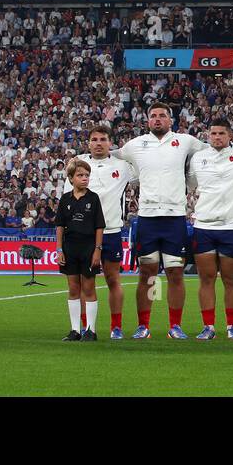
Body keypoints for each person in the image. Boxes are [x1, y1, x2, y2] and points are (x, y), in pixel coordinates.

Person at [113, 102, 207, 340]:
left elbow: (212, 150)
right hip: (148, 218)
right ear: (147, 121)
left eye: (162, 116)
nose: (157, 119)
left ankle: (175, 325)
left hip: (174, 218)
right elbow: (112, 157)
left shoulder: (185, 141)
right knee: (148, 273)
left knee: (175, 273)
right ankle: (144, 325)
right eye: (153, 116)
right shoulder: (135, 145)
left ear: (170, 120)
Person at [62, 123, 136, 339]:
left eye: (103, 139)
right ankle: (85, 328)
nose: (98, 143)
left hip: (111, 231)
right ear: (89, 142)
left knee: (113, 279)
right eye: (94, 139)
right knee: (85, 281)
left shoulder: (123, 166)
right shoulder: (78, 165)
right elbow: (67, 199)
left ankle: (116, 327)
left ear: (110, 143)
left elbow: (143, 175)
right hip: (83, 235)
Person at [186, 118, 233, 340]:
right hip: (204, 224)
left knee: (230, 279)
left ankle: (232, 326)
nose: (216, 137)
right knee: (206, 278)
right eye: (213, 133)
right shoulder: (199, 157)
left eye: (221, 134)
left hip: (231, 225)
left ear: (230, 135)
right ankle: (209, 326)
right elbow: (192, 183)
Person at [56, 159, 105, 342]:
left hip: (88, 247)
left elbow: (99, 227)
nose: (84, 178)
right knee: (73, 287)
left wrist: (97, 250)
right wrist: (59, 249)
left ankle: (91, 330)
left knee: (89, 287)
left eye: (87, 175)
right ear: (71, 178)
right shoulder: (65, 199)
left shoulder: (93, 198)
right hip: (70, 248)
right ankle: (75, 330)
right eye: (80, 175)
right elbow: (60, 226)